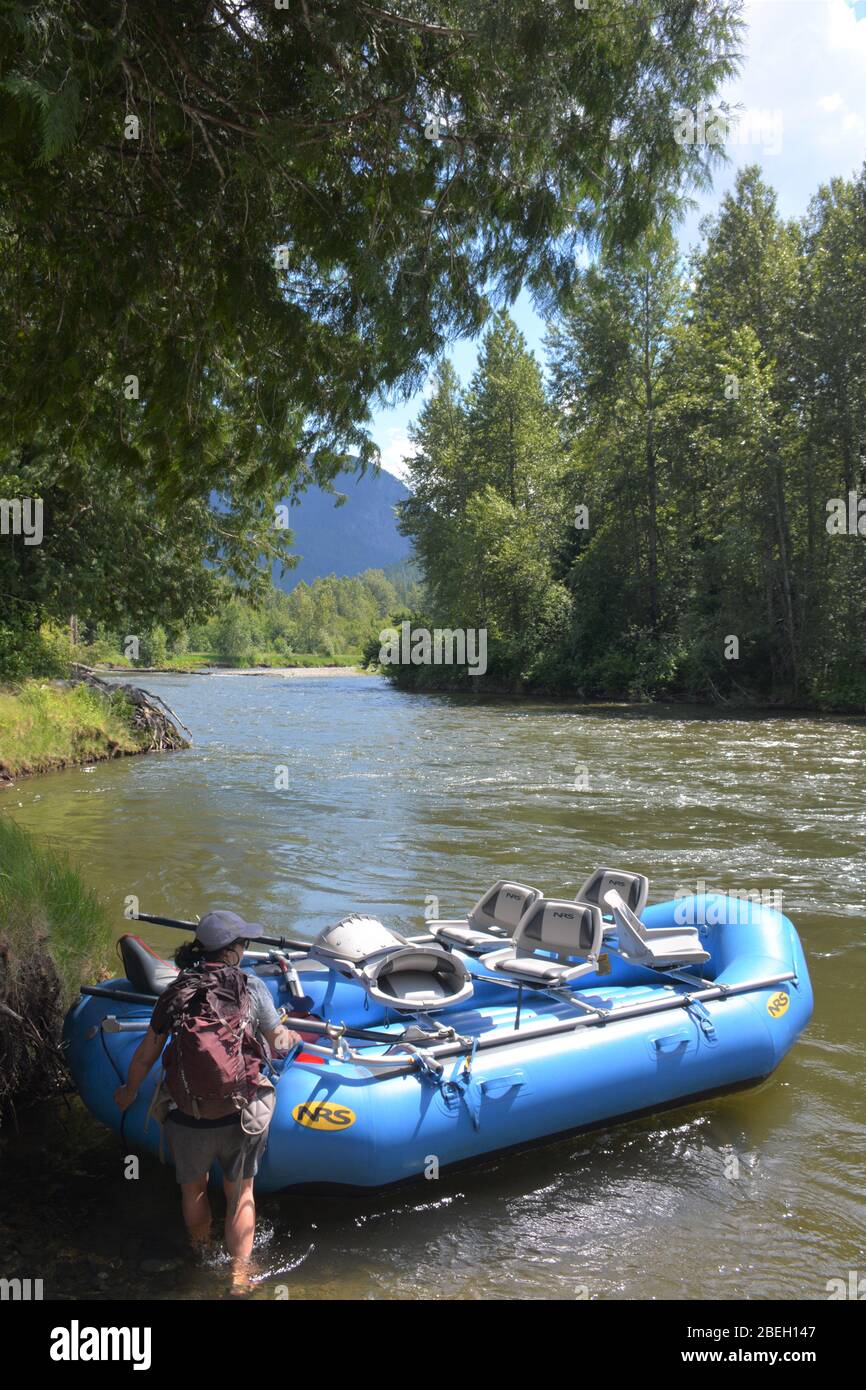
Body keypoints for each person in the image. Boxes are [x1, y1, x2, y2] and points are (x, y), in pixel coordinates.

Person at [114, 910, 300, 1292]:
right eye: (243, 943)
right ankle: (239, 1274)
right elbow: (276, 1041)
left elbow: (147, 1053)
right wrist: (289, 1036)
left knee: (193, 1189)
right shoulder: (252, 988)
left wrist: (129, 1091)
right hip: (239, 1113)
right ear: (232, 950)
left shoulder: (177, 991)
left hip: (189, 1115)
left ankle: (199, 1256)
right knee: (241, 1192)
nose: (245, 949)